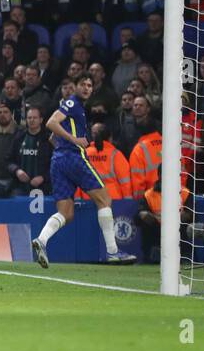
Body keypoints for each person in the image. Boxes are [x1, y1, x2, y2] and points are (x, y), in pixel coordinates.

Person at [32, 74, 137, 267]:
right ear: (75, 87)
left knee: (66, 213)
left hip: (58, 161)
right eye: (83, 85)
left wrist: (63, 145)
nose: (87, 88)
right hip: (74, 157)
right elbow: (50, 123)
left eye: (90, 85)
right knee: (105, 199)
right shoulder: (72, 103)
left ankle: (41, 240)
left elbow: (51, 138)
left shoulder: (76, 106)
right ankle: (113, 252)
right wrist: (74, 140)